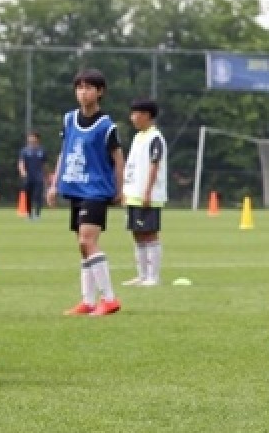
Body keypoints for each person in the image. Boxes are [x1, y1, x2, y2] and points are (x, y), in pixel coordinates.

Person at [47, 68, 125, 317]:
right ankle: (88, 301)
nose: (83, 92)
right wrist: (54, 183)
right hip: (74, 187)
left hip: (96, 190)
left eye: (89, 88)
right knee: (83, 246)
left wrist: (120, 189)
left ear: (100, 92)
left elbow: (118, 158)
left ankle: (110, 299)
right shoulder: (69, 119)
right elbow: (64, 151)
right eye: (79, 87)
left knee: (86, 241)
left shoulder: (107, 126)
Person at [122, 98, 167, 287]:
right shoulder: (137, 137)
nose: (133, 118)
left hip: (147, 194)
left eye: (137, 114)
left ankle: (153, 276)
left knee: (150, 233)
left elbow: (154, 165)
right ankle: (141, 275)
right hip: (133, 193)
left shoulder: (155, 137)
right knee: (137, 233)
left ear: (147, 116)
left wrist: (148, 191)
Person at [18, 131, 47, 220]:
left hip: (39, 177)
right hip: (28, 177)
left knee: (38, 196)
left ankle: (37, 214)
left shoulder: (42, 151)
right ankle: (29, 214)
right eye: (29, 137)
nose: (30, 139)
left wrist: (45, 175)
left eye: (32, 137)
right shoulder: (24, 151)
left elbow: (44, 164)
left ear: (37, 139)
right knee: (28, 196)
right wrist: (23, 172)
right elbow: (21, 162)